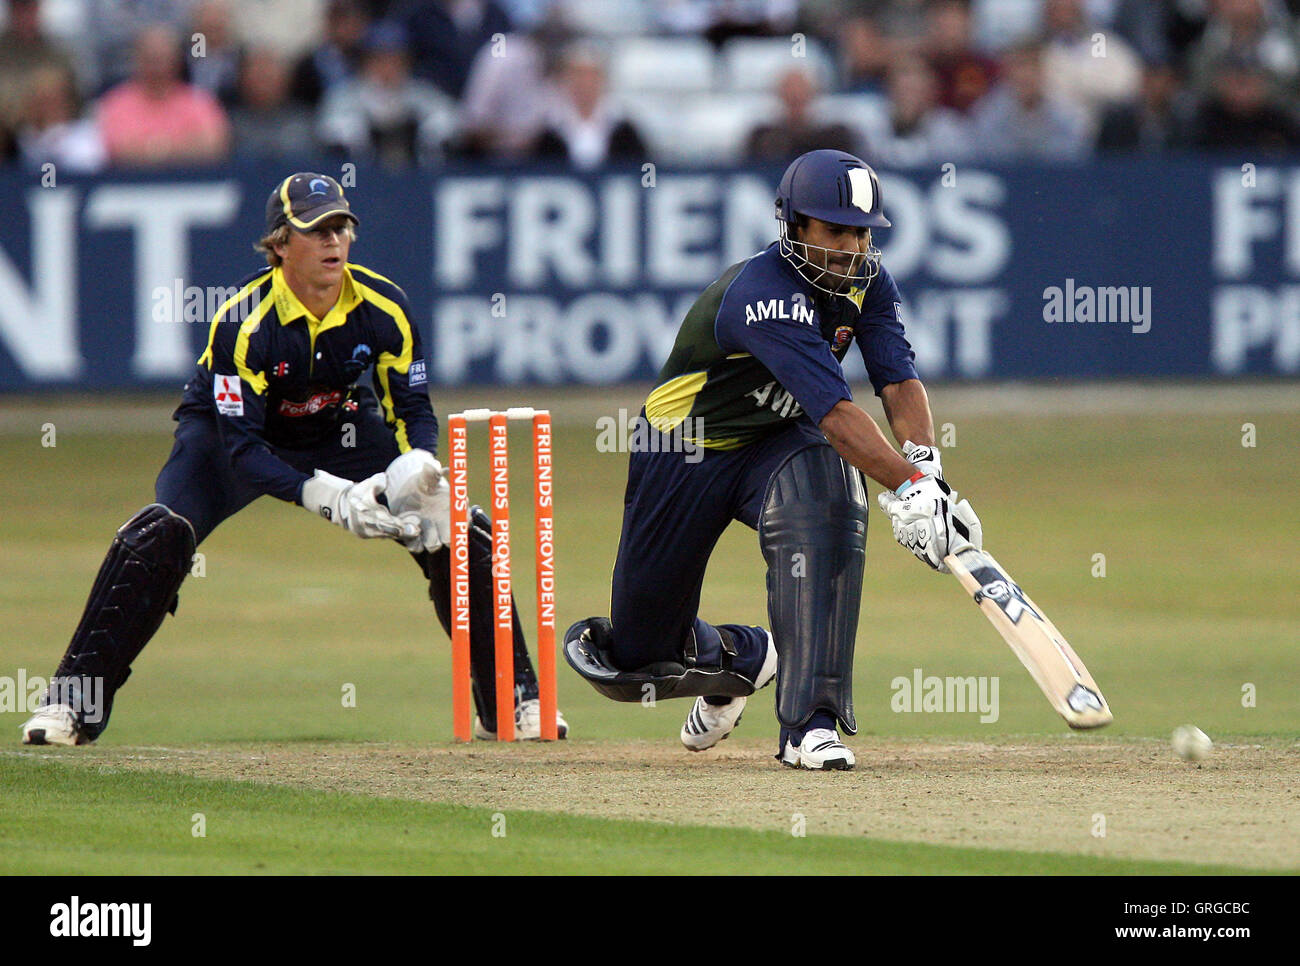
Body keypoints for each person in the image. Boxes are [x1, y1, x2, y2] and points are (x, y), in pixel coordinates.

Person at [21, 172, 567, 747]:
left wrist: (417, 464)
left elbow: (410, 404)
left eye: (341, 227)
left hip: (336, 424)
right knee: (158, 534)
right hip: (230, 437)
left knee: (452, 521)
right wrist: (328, 496)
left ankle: (511, 700)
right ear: (280, 244)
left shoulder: (384, 306)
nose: (334, 242)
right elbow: (245, 450)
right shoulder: (242, 320)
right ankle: (69, 706)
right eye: (317, 230)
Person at [564, 150, 982, 771]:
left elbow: (896, 381)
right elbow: (839, 414)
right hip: (682, 452)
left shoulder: (870, 282)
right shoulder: (764, 296)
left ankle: (810, 724)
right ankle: (745, 659)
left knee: (828, 501)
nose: (852, 246)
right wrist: (909, 488)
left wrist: (929, 471)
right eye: (835, 230)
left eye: (862, 231)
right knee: (639, 661)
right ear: (793, 226)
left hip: (777, 442)